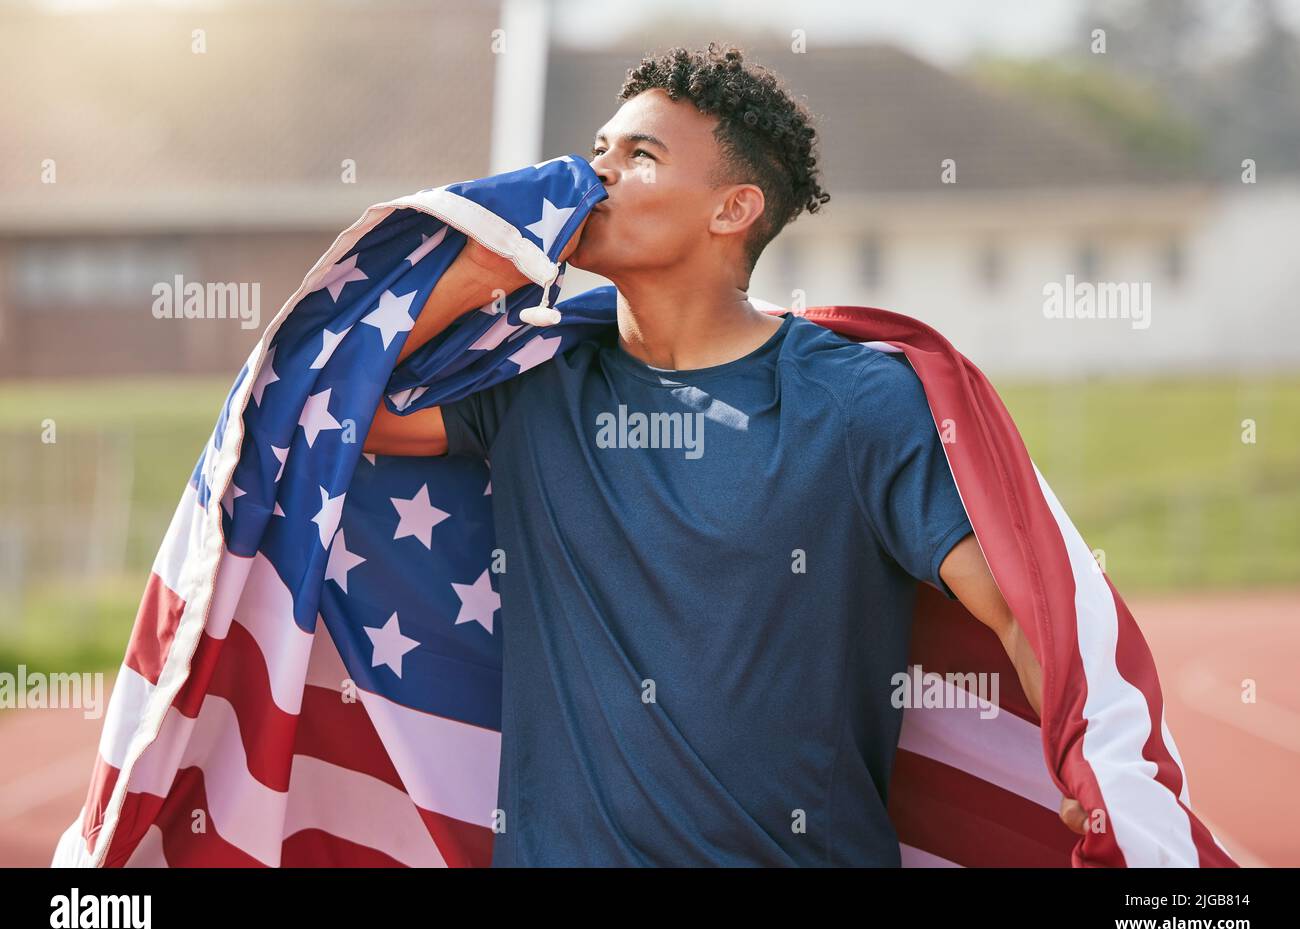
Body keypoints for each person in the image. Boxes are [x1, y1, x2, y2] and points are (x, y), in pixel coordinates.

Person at [364, 42, 1084, 865]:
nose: (593, 173)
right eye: (598, 149)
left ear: (732, 210)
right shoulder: (534, 381)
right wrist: (494, 257)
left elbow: (1018, 608)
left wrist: (1083, 754)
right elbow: (340, 407)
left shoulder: (858, 404)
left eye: (640, 156)